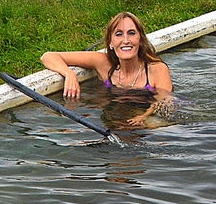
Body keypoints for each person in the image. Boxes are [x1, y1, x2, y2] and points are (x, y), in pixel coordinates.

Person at [40, 11, 173, 127]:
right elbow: (48, 56)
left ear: (141, 39)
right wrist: (69, 74)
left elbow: (165, 103)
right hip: (114, 117)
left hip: (144, 119)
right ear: (110, 42)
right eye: (119, 34)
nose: (125, 40)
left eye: (131, 33)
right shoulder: (104, 64)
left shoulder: (156, 69)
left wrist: (143, 117)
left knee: (157, 125)